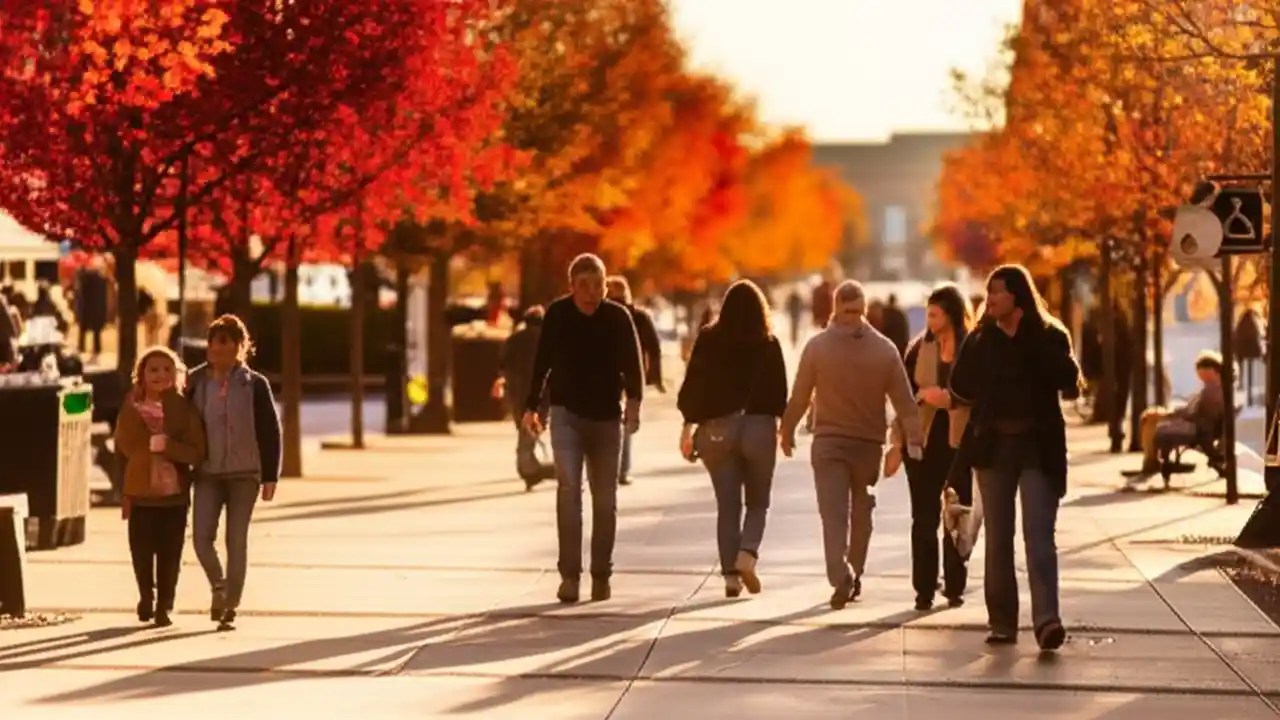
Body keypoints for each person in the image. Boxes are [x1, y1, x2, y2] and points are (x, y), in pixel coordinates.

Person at [949, 264, 1081, 650]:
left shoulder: (1049, 334)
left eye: (997, 293)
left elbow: (1069, 380)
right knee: (999, 541)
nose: (988, 300)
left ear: (1017, 297)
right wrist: (984, 344)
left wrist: (1029, 341)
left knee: (1039, 538)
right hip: (993, 451)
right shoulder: (981, 339)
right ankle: (1003, 622)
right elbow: (960, 386)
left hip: (1038, 449)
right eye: (988, 294)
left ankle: (1047, 621)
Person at [780, 280, 923, 609]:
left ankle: (848, 574)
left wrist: (910, 440)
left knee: (851, 514)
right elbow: (800, 395)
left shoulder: (828, 347)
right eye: (848, 312)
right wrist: (786, 429)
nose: (852, 319)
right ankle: (845, 574)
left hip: (856, 446)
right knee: (846, 514)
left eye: (856, 312)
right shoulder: (879, 348)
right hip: (841, 444)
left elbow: (904, 400)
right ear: (839, 309)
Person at [523, 254, 644, 604]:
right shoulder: (558, 315)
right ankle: (570, 576)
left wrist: (633, 406)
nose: (592, 292)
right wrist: (532, 406)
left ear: (607, 285)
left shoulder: (617, 317)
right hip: (567, 415)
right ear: (571, 286)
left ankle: (601, 574)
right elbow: (542, 362)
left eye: (599, 285)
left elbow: (633, 366)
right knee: (568, 491)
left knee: (605, 500)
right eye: (585, 285)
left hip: (607, 418)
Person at [678, 280, 788, 598]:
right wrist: (783, 429)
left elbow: (693, 386)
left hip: (717, 430)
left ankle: (729, 577)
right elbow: (780, 394)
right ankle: (748, 554)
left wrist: (688, 425)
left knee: (727, 505)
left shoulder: (709, 339)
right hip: (758, 429)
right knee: (757, 503)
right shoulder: (769, 344)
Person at [188, 315, 283, 631]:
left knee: (236, 539)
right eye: (214, 344)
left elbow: (270, 431)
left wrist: (270, 476)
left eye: (226, 344)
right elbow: (181, 423)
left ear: (241, 347)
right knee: (201, 538)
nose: (218, 350)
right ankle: (219, 585)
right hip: (207, 472)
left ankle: (230, 605)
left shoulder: (255, 385)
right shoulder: (195, 382)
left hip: (245, 473)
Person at [887, 285, 975, 611]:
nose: (929, 320)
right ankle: (923, 589)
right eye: (928, 314)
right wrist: (897, 443)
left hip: (960, 442)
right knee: (923, 517)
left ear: (951, 314)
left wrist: (946, 397)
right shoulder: (916, 349)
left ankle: (954, 584)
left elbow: (980, 392)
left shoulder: (971, 348)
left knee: (957, 515)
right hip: (922, 441)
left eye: (935, 314)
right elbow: (905, 400)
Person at [114, 346, 206, 627]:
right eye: (153, 369)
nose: (160, 375)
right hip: (141, 494)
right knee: (141, 551)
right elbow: (122, 448)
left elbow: (197, 451)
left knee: (170, 553)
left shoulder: (183, 408)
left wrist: (170, 448)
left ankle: (165, 604)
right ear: (142, 374)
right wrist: (125, 491)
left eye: (167, 369)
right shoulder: (131, 407)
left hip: (173, 497)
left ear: (176, 374)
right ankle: (146, 596)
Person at [607, 276, 664, 487]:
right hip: (632, 374)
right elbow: (654, 348)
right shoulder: (639, 316)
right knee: (627, 420)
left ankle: (608, 468)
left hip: (606, 375)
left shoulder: (600, 315)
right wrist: (655, 377)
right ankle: (622, 470)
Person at [494, 305, 554, 490]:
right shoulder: (550, 340)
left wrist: (502, 381)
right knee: (534, 428)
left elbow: (502, 364)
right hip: (543, 391)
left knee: (525, 426)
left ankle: (531, 467)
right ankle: (529, 467)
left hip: (518, 390)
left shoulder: (514, 339)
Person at [1136, 351, 1226, 475]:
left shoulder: (1211, 391)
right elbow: (1194, 410)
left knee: (1149, 419)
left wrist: (1169, 414)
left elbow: (1193, 414)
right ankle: (1150, 460)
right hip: (1192, 423)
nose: (1199, 374)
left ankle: (1151, 461)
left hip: (1191, 426)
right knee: (1149, 416)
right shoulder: (1213, 389)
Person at [76, 263, 109, 358]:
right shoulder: (101, 280)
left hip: (86, 307)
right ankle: (97, 348)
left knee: (83, 329)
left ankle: (81, 347)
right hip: (96, 307)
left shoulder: (83, 279)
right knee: (96, 331)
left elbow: (80, 294)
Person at [881, 293, 911, 357]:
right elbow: (905, 332)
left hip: (887, 347)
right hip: (899, 347)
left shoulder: (884, 313)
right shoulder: (900, 314)